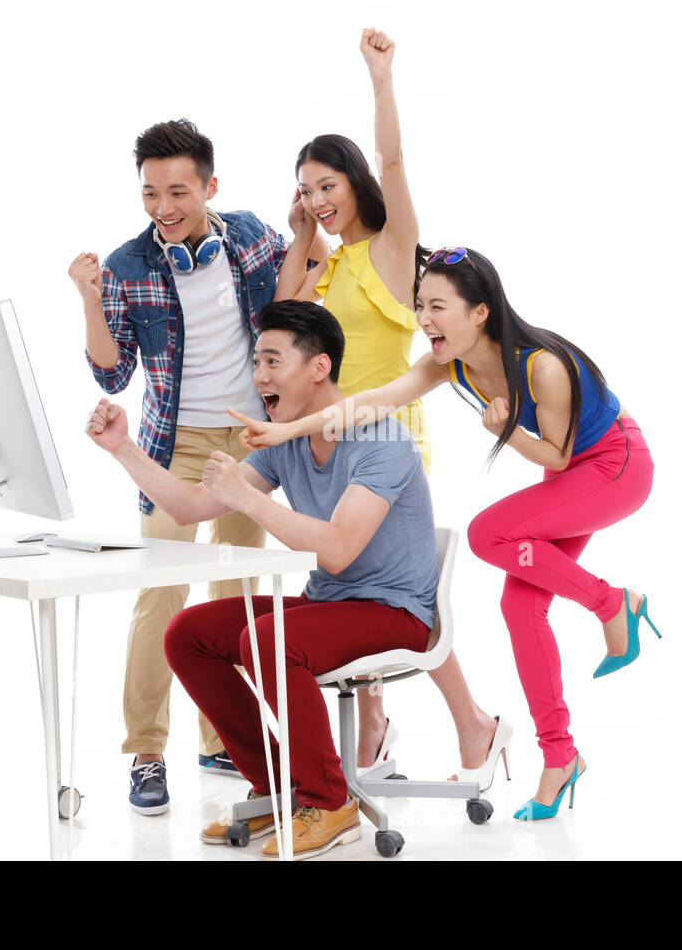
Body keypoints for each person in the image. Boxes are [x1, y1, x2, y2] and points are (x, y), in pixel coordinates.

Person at [237, 248, 659, 821]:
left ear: (479, 312)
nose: (423, 318)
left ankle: (615, 604)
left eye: (437, 305)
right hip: (571, 472)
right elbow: (371, 403)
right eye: (419, 305)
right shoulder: (446, 362)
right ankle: (561, 758)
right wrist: (284, 426)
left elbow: (558, 455)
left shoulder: (542, 367)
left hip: (614, 465)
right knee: (519, 606)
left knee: (489, 534)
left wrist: (502, 429)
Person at [85, 300, 439, 860]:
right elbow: (190, 506)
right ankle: (278, 786)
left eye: (272, 361)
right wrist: (123, 449)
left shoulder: (382, 439)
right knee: (188, 632)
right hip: (332, 607)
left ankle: (329, 803)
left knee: (268, 637)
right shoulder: (287, 440)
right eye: (256, 362)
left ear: (319, 367)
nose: (259, 376)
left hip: (397, 613)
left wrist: (246, 497)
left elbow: (340, 549)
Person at [265, 28, 512, 790]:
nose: (317, 201)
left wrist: (380, 80)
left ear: (354, 180)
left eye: (326, 186)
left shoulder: (393, 250)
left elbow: (396, 164)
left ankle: (461, 722)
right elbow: (276, 328)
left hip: (384, 440)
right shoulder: (330, 260)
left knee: (395, 595)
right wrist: (300, 239)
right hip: (321, 442)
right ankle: (376, 724)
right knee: (352, 596)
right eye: (305, 189)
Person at [67, 119, 327, 816]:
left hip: (250, 443)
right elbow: (113, 370)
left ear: (210, 187)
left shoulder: (248, 237)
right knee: (161, 596)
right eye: (151, 193)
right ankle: (147, 751)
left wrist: (303, 230)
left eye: (178, 191)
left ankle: (220, 738)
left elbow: (296, 298)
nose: (163, 207)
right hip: (173, 445)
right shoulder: (127, 265)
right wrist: (91, 298)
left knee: (239, 598)